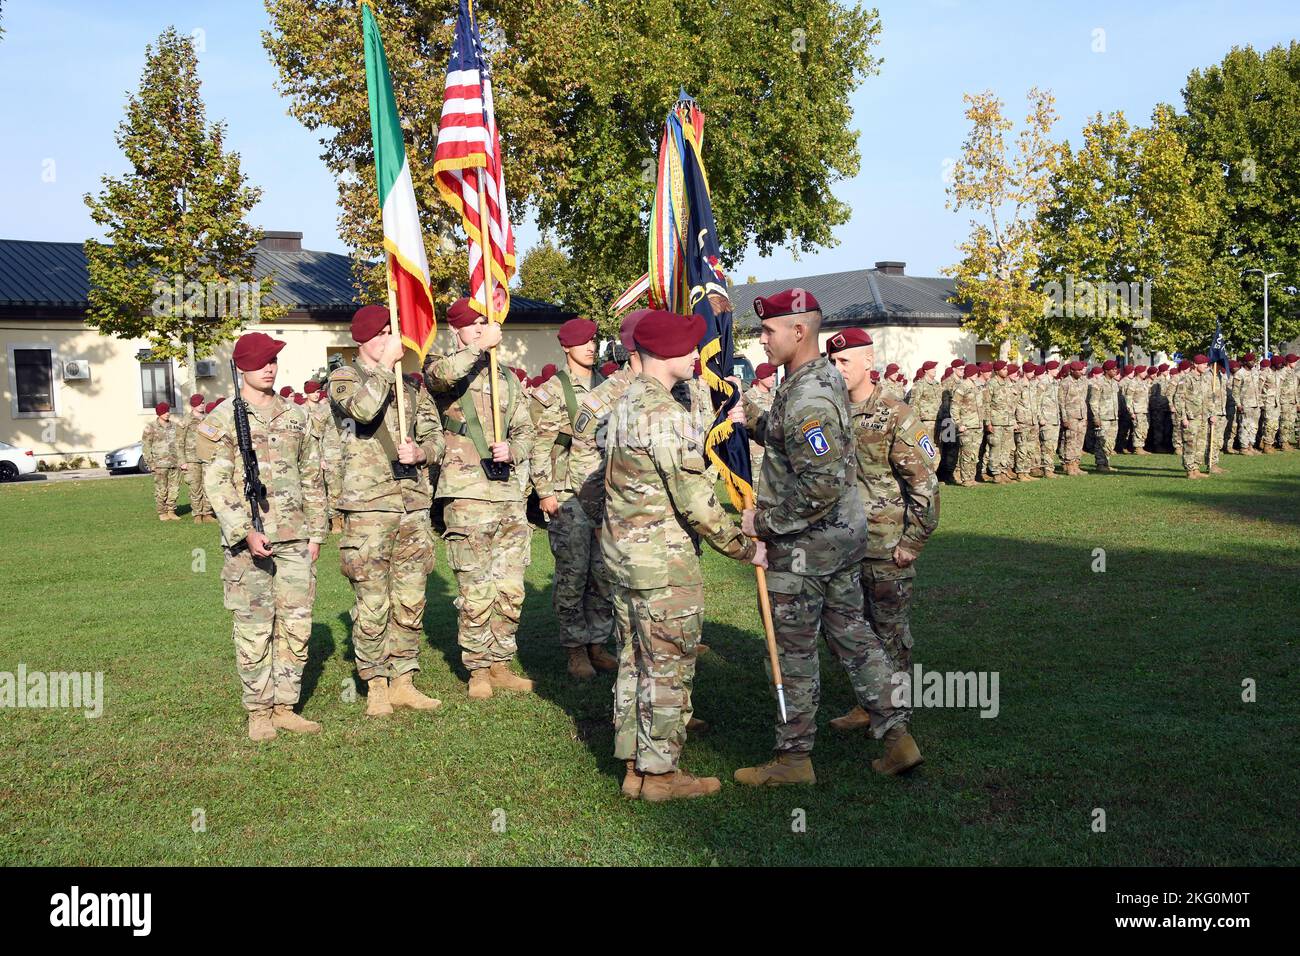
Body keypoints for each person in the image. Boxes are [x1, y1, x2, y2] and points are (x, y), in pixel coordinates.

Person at [731, 289, 919, 786]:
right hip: (838, 541)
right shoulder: (813, 380)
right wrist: (748, 421)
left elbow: (822, 483)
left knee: (794, 651)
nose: (762, 340)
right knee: (854, 635)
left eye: (769, 331)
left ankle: (793, 760)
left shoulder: (810, 392)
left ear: (799, 331)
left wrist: (764, 524)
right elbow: (789, 434)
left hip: (805, 548)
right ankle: (898, 736)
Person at [603, 309, 766, 801]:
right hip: (662, 563)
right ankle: (661, 776)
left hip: (627, 559)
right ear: (667, 352)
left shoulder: (626, 403)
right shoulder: (664, 415)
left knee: (636, 663)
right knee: (668, 666)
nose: (698, 355)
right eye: (691, 347)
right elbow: (695, 502)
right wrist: (745, 548)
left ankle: (635, 765)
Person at [198, 331, 327, 740]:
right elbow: (217, 484)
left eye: (273, 360)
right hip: (247, 542)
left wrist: (317, 532)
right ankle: (258, 712)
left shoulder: (296, 416)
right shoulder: (220, 421)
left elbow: (312, 475)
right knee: (254, 629)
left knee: (296, 624)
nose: (269, 368)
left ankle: (285, 705)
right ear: (241, 368)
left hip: (295, 537)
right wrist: (243, 531)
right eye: (260, 362)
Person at [328, 306, 445, 716]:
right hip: (368, 508)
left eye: (390, 334)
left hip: (412, 503)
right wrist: (383, 367)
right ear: (364, 341)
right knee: (373, 601)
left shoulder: (410, 386)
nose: (389, 342)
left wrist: (423, 452)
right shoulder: (343, 379)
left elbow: (437, 437)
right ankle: (376, 684)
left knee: (411, 598)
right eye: (381, 335)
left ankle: (404, 680)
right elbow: (363, 411)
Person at [823, 329, 939, 732]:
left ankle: (898, 718)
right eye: (831, 363)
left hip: (887, 548)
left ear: (868, 363)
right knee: (852, 633)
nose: (836, 371)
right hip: (842, 546)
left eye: (843, 363)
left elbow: (924, 485)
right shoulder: (832, 411)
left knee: (890, 634)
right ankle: (867, 703)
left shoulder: (895, 414)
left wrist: (913, 542)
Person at [424, 297, 537, 700]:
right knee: (476, 589)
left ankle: (500, 662)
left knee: (510, 587)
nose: (480, 330)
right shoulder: (442, 368)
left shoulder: (506, 377)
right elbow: (441, 377)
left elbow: (526, 428)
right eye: (472, 326)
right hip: (467, 493)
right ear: (456, 331)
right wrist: (478, 347)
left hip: (507, 493)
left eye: (484, 325)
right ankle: (477, 670)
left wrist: (515, 450)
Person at [529, 317, 617, 681]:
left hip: (606, 494)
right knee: (572, 575)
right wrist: (545, 492)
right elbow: (539, 444)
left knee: (604, 574)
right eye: (583, 341)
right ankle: (575, 650)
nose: (591, 346)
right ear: (566, 347)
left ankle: (598, 643)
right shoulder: (553, 391)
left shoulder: (609, 386)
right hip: (569, 496)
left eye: (594, 340)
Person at [142, 401, 184, 520]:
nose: (167, 414)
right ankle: (162, 512)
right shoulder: (150, 427)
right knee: (161, 489)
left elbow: (180, 444)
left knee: (174, 488)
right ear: (159, 413)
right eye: (164, 412)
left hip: (174, 463)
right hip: (159, 464)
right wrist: (151, 463)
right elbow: (146, 446)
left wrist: (181, 461)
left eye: (168, 411)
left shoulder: (174, 426)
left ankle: (171, 510)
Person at [180, 393, 215, 523]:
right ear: (194, 405)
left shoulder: (208, 419)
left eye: (203, 403)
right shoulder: (186, 421)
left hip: (206, 457)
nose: (202, 405)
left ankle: (207, 513)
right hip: (191, 459)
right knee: (195, 487)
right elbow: (179, 442)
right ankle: (197, 514)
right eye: (200, 403)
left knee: (207, 486)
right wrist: (182, 461)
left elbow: (213, 437)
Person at [950, 363, 982, 486]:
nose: (976, 375)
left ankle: (971, 477)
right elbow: (954, 407)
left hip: (977, 425)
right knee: (966, 453)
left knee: (974, 454)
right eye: (974, 373)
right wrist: (958, 424)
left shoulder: (976, 386)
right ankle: (966, 479)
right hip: (966, 425)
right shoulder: (962, 387)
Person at [1088, 359, 1121, 472]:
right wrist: (1096, 417)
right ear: (1106, 370)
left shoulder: (1114, 383)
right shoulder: (1098, 383)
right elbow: (1093, 401)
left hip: (1113, 416)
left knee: (1110, 441)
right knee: (1101, 441)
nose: (1115, 371)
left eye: (1116, 369)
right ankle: (1100, 464)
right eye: (1113, 369)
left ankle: (1106, 462)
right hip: (1103, 417)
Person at [1058, 361, 1088, 475]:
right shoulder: (1065, 383)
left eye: (1081, 370)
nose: (1081, 372)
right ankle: (1069, 465)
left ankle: (1076, 464)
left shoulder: (1082, 382)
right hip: (1071, 416)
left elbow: (1083, 401)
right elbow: (1061, 402)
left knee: (1079, 441)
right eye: (1078, 370)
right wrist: (1064, 419)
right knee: (1070, 441)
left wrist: (1085, 417)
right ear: (1072, 371)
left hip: (1081, 415)